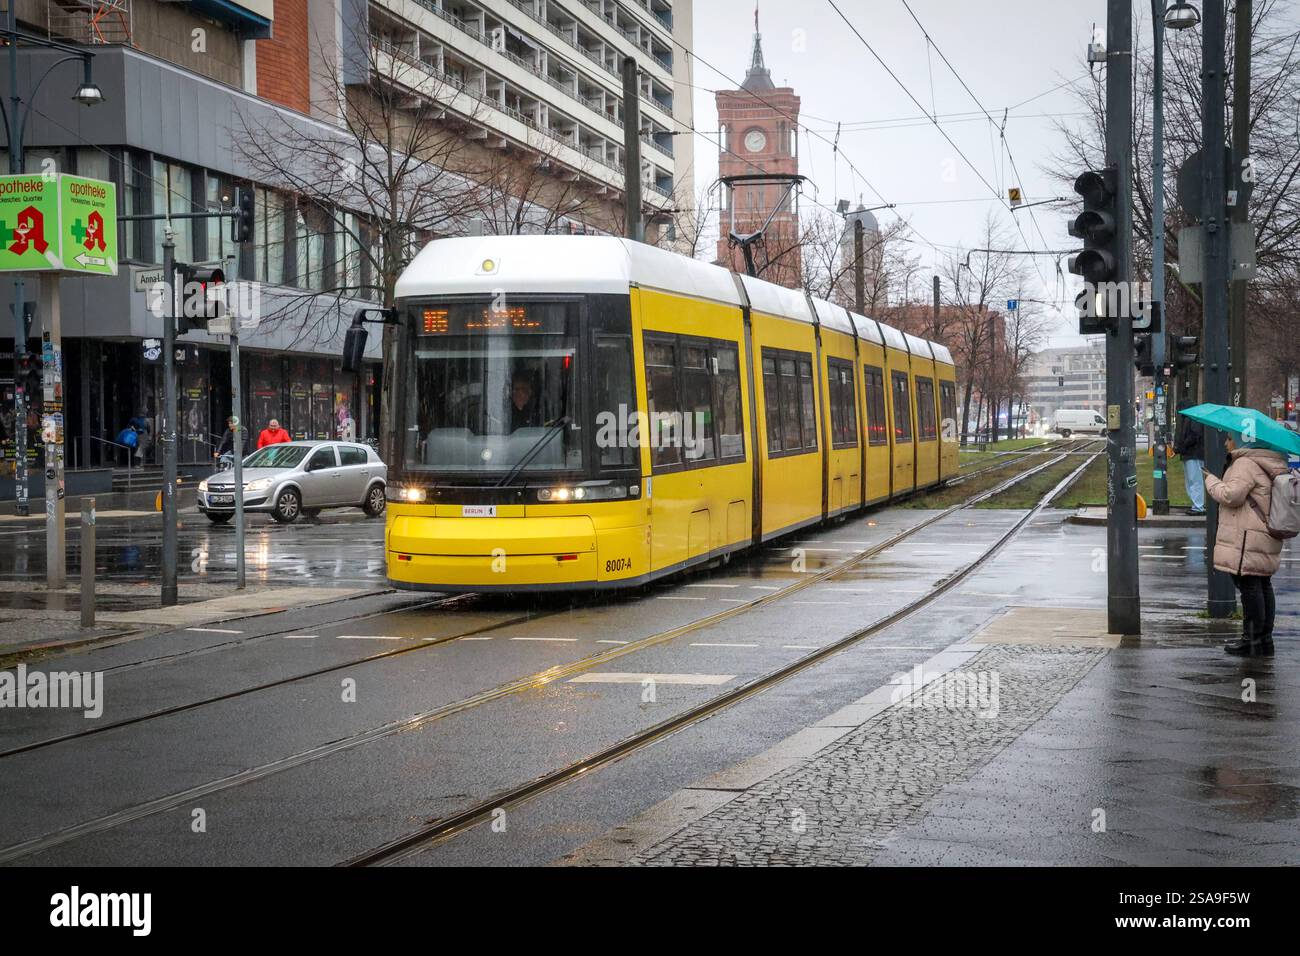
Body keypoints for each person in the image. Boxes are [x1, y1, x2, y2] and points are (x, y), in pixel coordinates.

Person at [1204, 433, 1289, 656]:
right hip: (1265, 532)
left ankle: (1250, 640)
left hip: (1247, 536)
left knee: (1249, 586)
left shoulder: (1245, 463)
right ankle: (1264, 640)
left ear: (1243, 441)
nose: (1225, 442)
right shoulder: (1272, 460)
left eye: (1230, 438)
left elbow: (1232, 496)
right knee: (1262, 584)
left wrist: (1211, 481)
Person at [1174, 398, 1206, 515]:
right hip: (1192, 453)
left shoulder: (1192, 419)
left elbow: (1193, 436)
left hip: (1193, 454)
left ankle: (1198, 506)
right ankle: (1197, 505)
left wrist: (1181, 447)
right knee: (1193, 480)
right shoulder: (1194, 418)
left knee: (1194, 480)